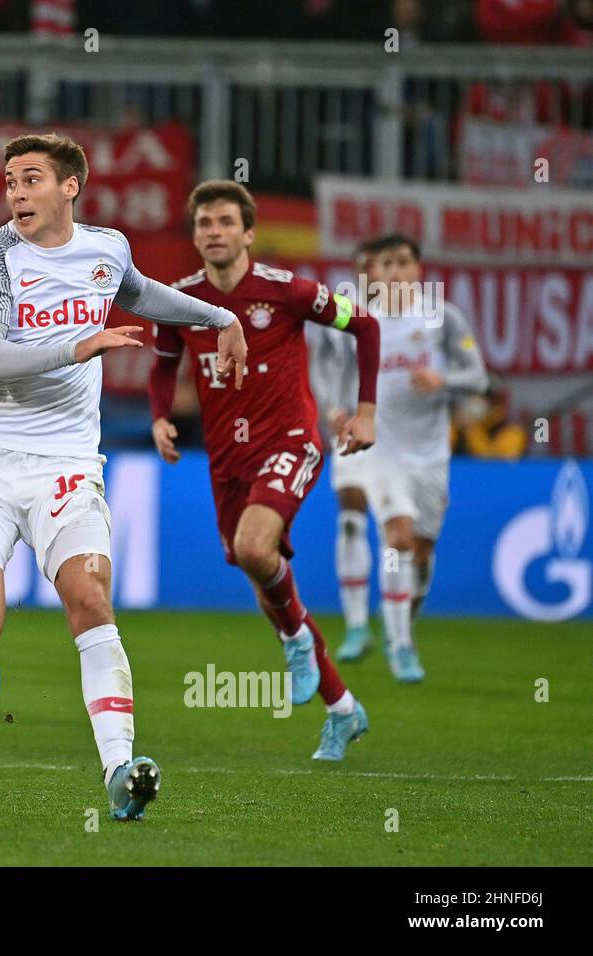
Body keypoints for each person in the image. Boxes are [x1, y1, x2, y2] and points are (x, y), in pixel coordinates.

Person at [0, 133, 247, 819]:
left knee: (91, 597)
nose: (16, 193)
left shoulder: (107, 249)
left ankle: (118, 770)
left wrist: (218, 315)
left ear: (69, 186)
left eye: (31, 180)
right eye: (10, 181)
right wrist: (80, 346)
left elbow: (141, 294)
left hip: (68, 461)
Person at [148, 179, 381, 761]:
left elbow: (367, 327)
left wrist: (366, 412)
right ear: (195, 235)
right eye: (205, 223)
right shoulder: (180, 300)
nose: (215, 232)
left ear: (248, 233)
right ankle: (341, 707)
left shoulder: (288, 291)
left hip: (291, 441)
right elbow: (162, 365)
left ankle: (298, 641)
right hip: (227, 460)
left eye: (227, 222)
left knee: (256, 550)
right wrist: (159, 418)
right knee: (262, 575)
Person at [346, 233, 489, 681]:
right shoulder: (362, 321)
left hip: (429, 453)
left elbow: (478, 376)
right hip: (381, 449)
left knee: (421, 551)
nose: (393, 271)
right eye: (384, 264)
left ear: (417, 270)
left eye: (402, 262)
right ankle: (399, 647)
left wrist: (442, 378)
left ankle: (405, 616)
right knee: (399, 538)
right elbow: (334, 370)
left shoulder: (442, 318)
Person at [308, 238, 384, 661]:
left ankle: (400, 625)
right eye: (367, 266)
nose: (375, 274)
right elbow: (321, 363)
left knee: (407, 539)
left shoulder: (425, 317)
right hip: (355, 428)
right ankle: (357, 625)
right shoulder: (341, 309)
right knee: (352, 518)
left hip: (404, 439)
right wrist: (331, 410)